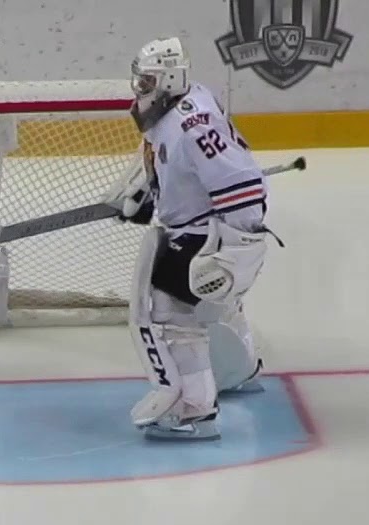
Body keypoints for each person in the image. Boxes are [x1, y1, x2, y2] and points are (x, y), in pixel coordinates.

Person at [104, 36, 279, 440]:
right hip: (196, 223)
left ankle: (193, 409)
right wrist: (149, 195)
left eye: (147, 81)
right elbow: (176, 166)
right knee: (218, 304)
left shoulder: (193, 126)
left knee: (169, 314)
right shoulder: (179, 106)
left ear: (168, 79)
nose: (140, 89)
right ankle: (239, 369)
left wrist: (237, 249)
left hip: (204, 231)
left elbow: (242, 185)